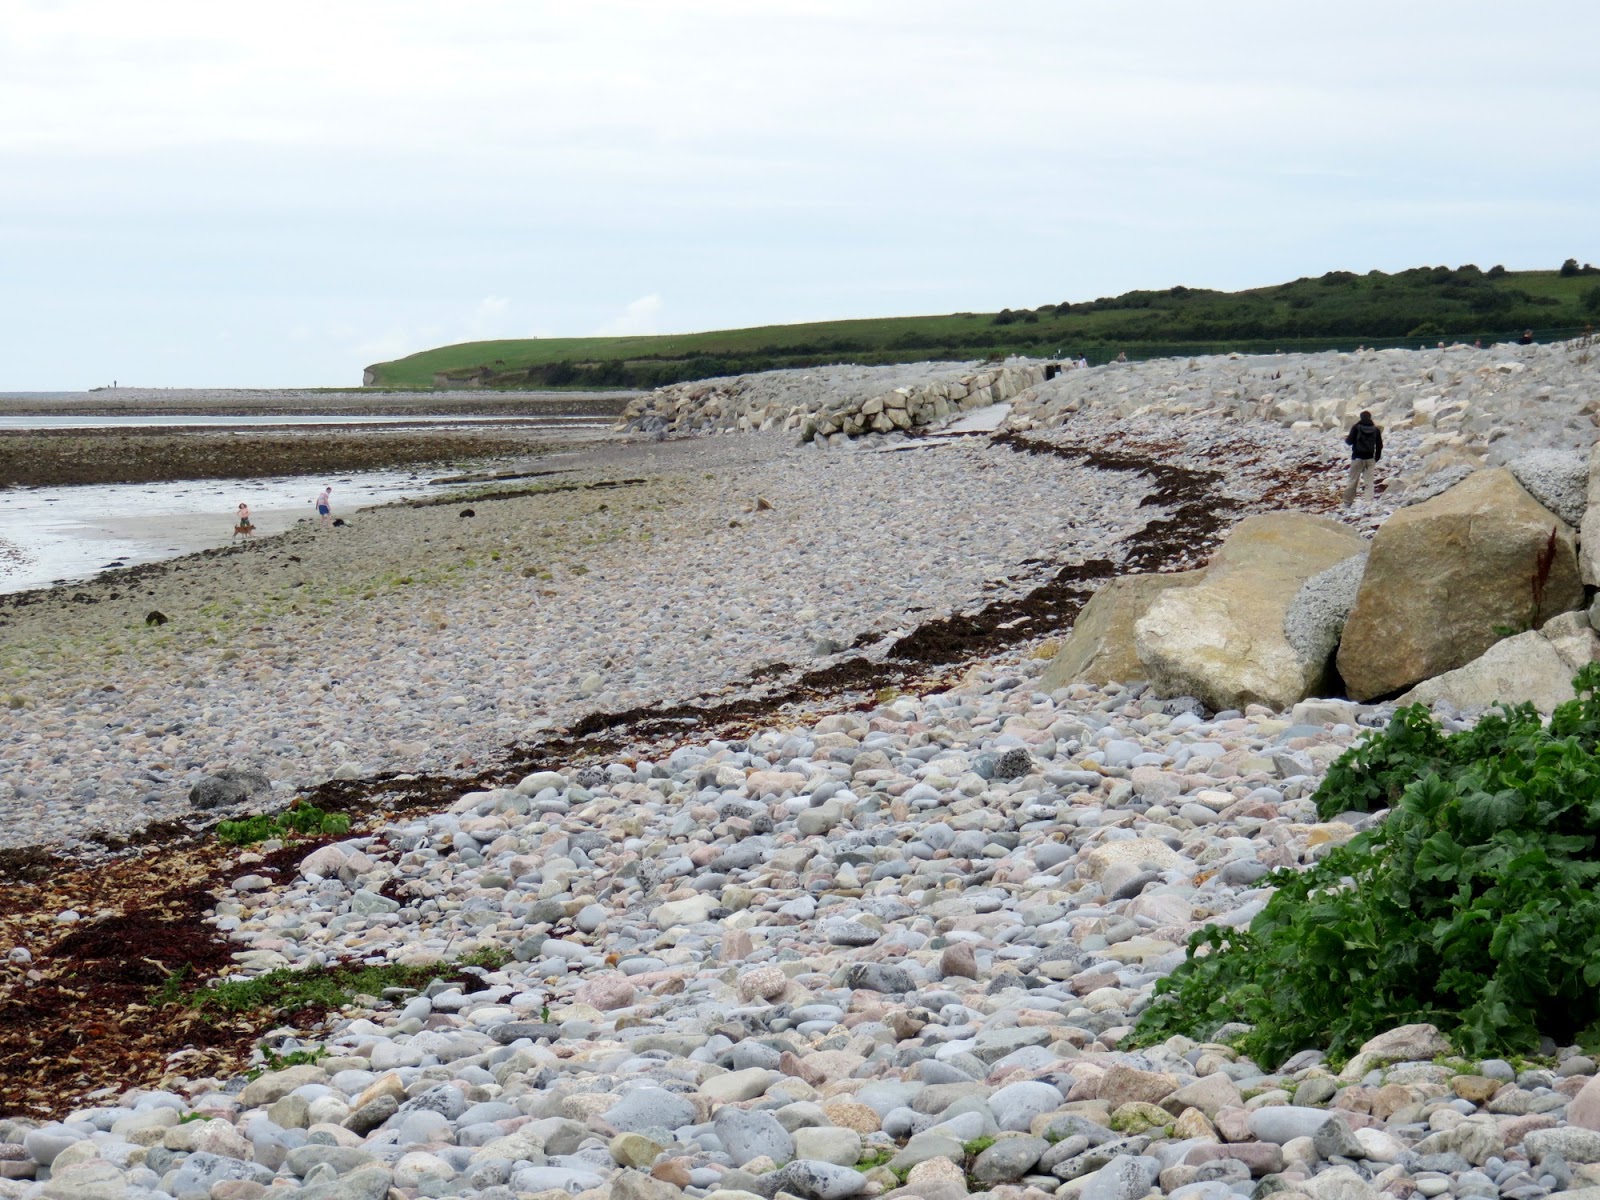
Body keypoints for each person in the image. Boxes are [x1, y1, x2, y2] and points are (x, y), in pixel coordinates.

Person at [1342, 410, 1383, 509]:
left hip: (1357, 458)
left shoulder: (1356, 428)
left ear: (1361, 417)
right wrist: (1375, 458)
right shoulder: (1375, 430)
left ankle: (1347, 503)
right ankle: (1369, 503)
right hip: (1370, 459)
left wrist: (1346, 438)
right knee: (1369, 482)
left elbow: (1349, 442)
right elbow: (1379, 445)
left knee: (1353, 481)